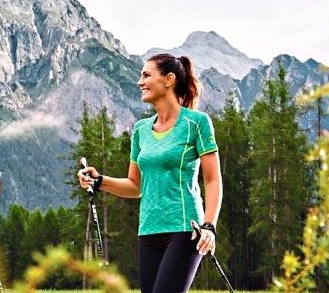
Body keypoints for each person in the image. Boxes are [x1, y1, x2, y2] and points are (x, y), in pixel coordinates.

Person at [78, 53, 222, 293]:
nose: (139, 82)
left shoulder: (197, 123)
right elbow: (135, 186)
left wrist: (209, 226)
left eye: (146, 75)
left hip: (185, 229)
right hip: (148, 232)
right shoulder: (141, 130)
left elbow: (213, 179)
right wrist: (98, 180)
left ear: (168, 79)